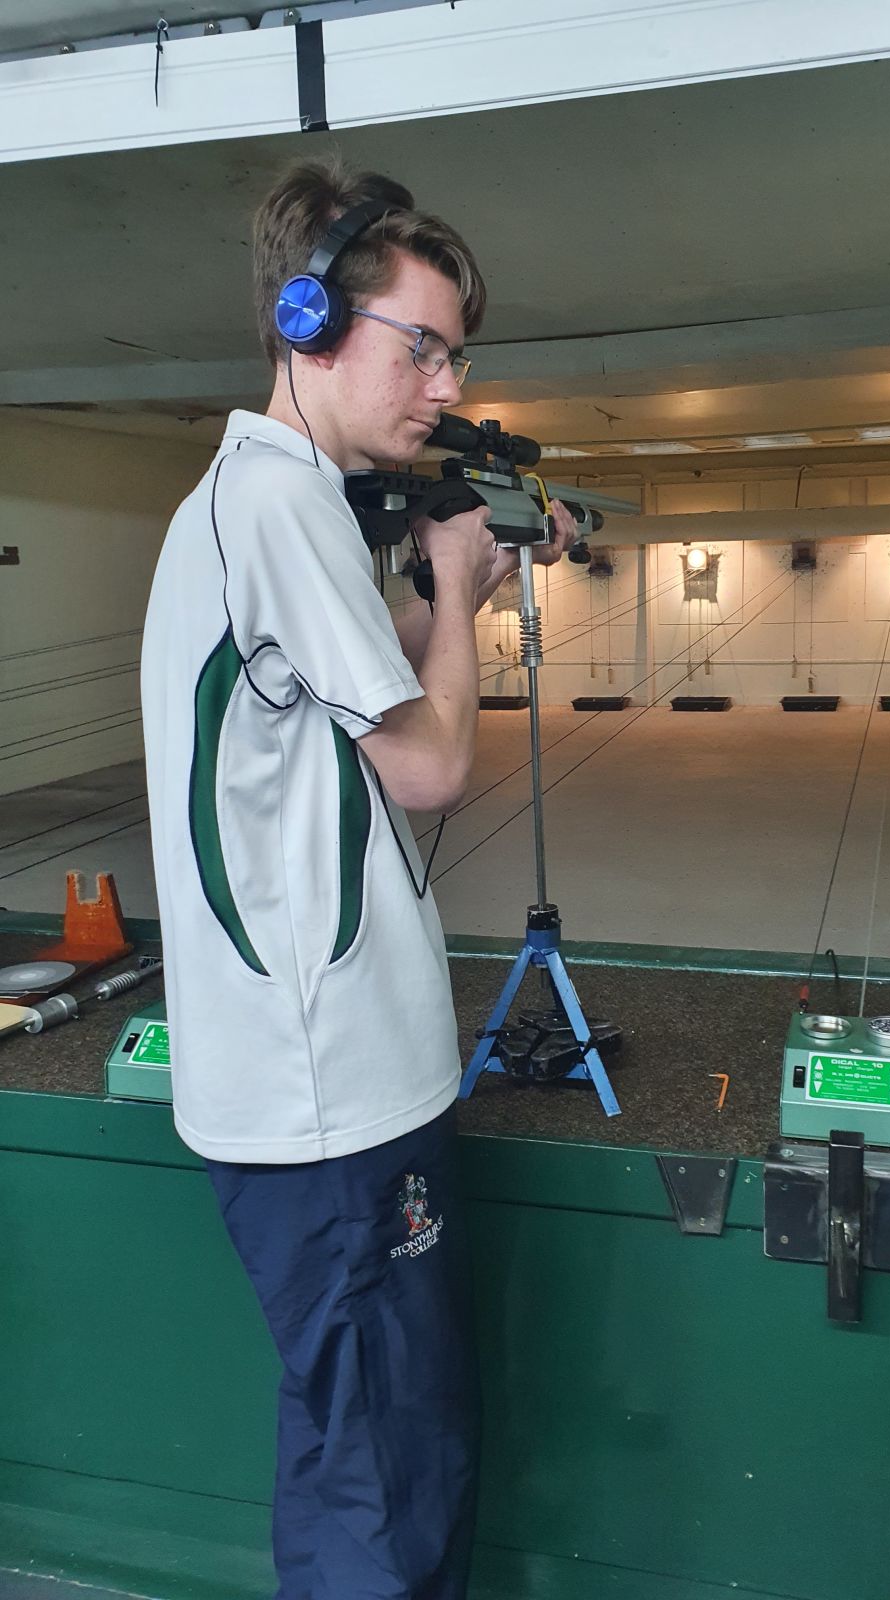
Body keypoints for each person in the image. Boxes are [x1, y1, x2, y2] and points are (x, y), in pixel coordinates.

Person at [139, 158, 576, 1600]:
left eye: (456, 354)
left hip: (317, 1087)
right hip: (330, 1105)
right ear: (308, 319)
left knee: (362, 1448)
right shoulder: (277, 507)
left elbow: (336, 685)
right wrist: (458, 582)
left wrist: (467, 565)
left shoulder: (277, 504)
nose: (443, 384)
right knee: (389, 1477)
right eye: (422, 346)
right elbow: (432, 763)